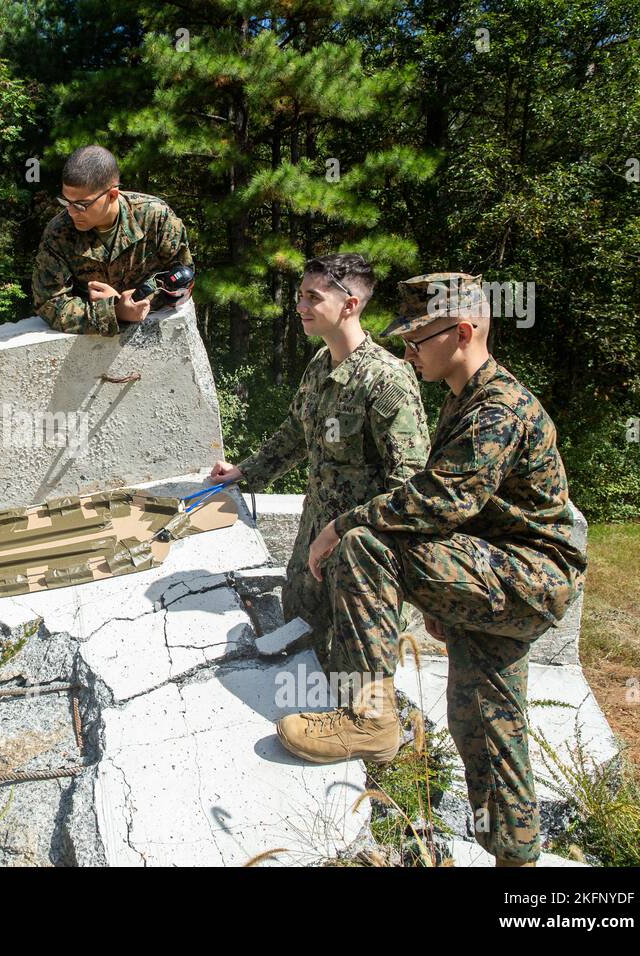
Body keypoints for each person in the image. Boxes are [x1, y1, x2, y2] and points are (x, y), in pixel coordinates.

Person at [277, 272, 586, 867]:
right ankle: (516, 863)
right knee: (485, 723)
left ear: (463, 331)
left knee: (365, 542)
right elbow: (469, 509)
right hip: (501, 575)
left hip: (523, 577)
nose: (409, 350)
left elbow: (440, 499)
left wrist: (340, 525)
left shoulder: (497, 408)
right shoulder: (465, 398)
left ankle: (368, 715)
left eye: (419, 339)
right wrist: (448, 595)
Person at [209, 254, 428, 666]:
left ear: (350, 305)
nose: (300, 307)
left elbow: (409, 486)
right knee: (300, 643)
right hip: (312, 534)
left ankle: (355, 725)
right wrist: (244, 473)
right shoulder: (319, 365)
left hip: (359, 550)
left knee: (353, 662)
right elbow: (295, 434)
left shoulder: (386, 380)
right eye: (299, 296)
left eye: (313, 297)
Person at [31, 145, 193, 335]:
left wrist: (139, 300)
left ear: (112, 195)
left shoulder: (155, 217)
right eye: (66, 201)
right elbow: (49, 303)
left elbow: (182, 277)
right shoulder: (58, 233)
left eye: (82, 205)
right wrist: (113, 311)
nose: (71, 211)